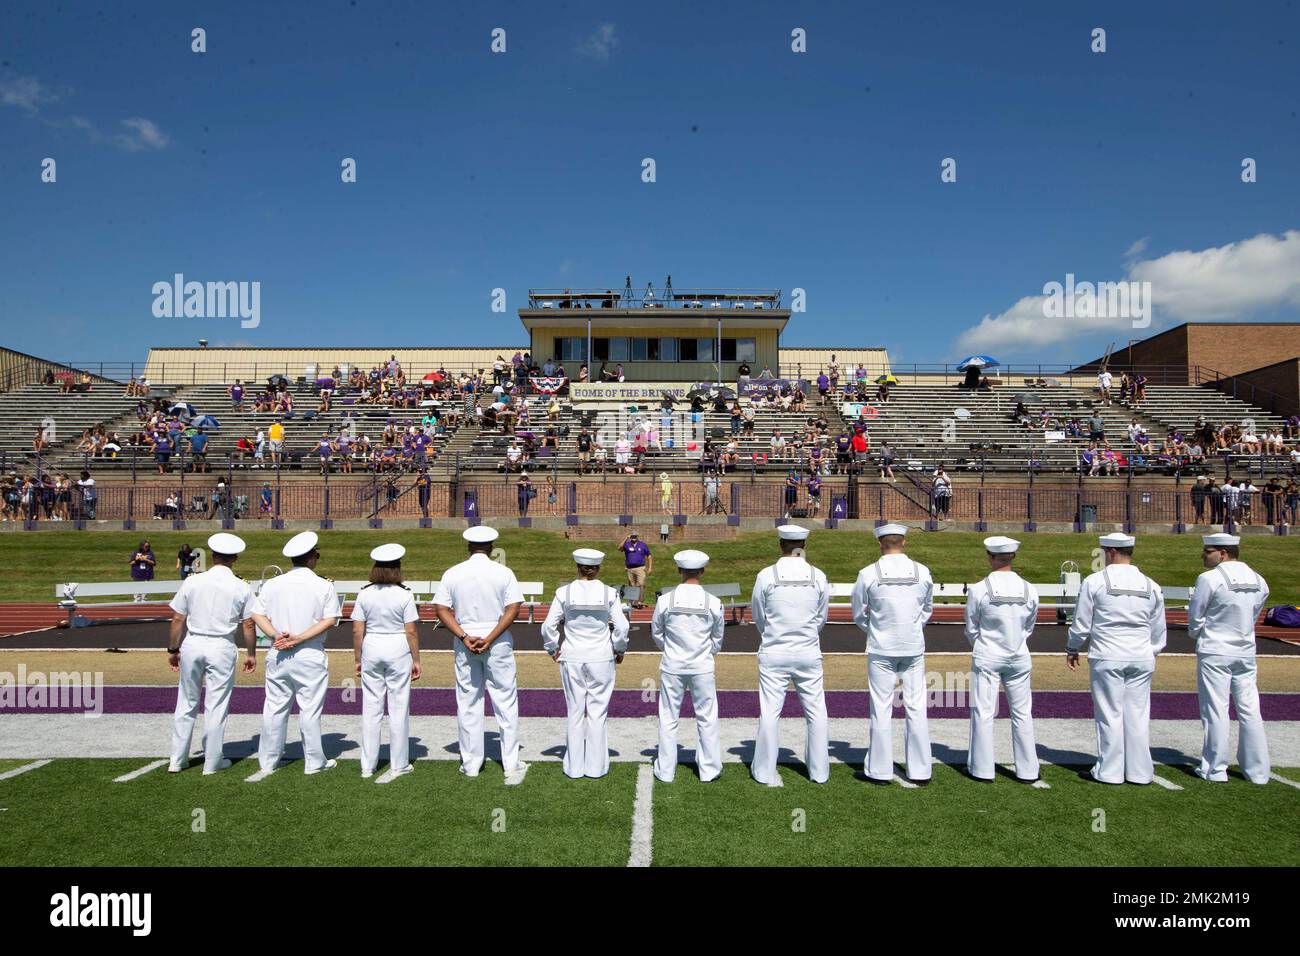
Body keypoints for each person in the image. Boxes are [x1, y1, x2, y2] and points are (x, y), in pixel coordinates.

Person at [1066, 533, 1167, 785]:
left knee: (1109, 714)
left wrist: (1073, 647)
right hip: (1141, 657)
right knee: (1138, 714)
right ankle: (1140, 772)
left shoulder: (1095, 581)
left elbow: (1081, 623)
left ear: (1111, 552)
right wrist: (1150, 650)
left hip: (1108, 654)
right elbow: (1158, 628)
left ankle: (1110, 771)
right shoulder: (1150, 585)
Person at [433, 527, 529, 783]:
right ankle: (510, 762)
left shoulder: (453, 573)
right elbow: (514, 609)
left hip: (465, 640)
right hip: (496, 641)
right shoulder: (503, 572)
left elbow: (441, 609)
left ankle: (472, 763)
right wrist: (491, 637)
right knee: (505, 701)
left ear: (468, 547)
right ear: (491, 546)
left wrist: (464, 636)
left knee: (468, 702)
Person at [246, 531, 343, 779]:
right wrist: (300, 637)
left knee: (275, 708)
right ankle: (313, 761)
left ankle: (268, 761)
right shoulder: (323, 585)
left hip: (278, 653)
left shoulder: (273, 584)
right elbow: (330, 620)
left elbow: (256, 614)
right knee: (309, 709)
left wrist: (275, 635)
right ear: (312, 557)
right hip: (309, 653)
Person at [851, 523, 935, 785]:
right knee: (917, 707)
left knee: (881, 708)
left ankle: (879, 770)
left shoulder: (867, 573)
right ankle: (920, 770)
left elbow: (858, 612)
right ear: (904, 542)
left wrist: (876, 629)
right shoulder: (922, 572)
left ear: (880, 543)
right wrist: (910, 628)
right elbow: (926, 609)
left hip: (881, 648)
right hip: (912, 646)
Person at [167, 533, 257, 774]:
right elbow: (248, 625)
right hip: (221, 646)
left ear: (213, 555)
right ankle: (212, 760)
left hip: (193, 643)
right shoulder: (241, 586)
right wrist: (251, 654)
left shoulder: (193, 581)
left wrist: (173, 649)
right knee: (216, 704)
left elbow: (177, 618)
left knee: (186, 701)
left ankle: (177, 758)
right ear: (235, 558)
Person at [749, 525, 830, 787]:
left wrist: (772, 634)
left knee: (770, 712)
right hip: (808, 651)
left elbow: (758, 615)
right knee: (816, 712)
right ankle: (819, 772)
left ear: (780, 544)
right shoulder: (818, 575)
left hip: (774, 651)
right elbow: (821, 617)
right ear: (803, 546)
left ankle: (764, 771)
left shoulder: (766, 575)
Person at [1188, 533, 1270, 784]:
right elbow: (1255, 611)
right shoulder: (1259, 580)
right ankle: (1258, 771)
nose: (1203, 554)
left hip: (1215, 650)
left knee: (1216, 710)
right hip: (1245, 650)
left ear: (1223, 553)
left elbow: (1196, 616)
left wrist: (1200, 634)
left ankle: (1214, 768)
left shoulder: (1209, 579)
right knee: (1250, 710)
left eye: (1208, 550)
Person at [540, 549, 630, 779]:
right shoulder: (609, 592)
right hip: (601, 656)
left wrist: (552, 648)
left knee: (575, 711)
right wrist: (619, 649)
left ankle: (574, 767)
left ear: (577, 566)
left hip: (572, 656)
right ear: (597, 568)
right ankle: (596, 767)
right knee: (598, 713)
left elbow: (548, 626)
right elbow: (622, 627)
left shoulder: (564, 592)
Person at [962, 536, 1040, 783]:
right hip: (1018, 655)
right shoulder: (1029, 589)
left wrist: (984, 644)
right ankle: (1028, 770)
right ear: (1013, 557)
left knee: (984, 712)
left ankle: (982, 769)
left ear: (990, 556)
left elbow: (971, 626)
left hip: (989, 655)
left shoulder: (979, 589)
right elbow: (1029, 626)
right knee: (1022, 713)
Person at [652, 549, 726, 783]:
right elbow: (718, 638)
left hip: (673, 665)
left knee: (668, 717)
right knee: (706, 717)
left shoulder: (665, 600)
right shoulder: (713, 602)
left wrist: (672, 649)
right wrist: (704, 653)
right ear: (702, 571)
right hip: (701, 666)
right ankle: (709, 769)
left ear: (679, 570)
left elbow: (657, 633)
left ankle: (665, 770)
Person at [352, 543, 422, 784]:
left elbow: (357, 629)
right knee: (398, 707)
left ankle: (367, 765)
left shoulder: (364, 593)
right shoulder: (404, 594)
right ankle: (398, 763)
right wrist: (416, 659)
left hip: (372, 646)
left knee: (370, 709)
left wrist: (358, 657)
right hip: (397, 648)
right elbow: (411, 631)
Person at [619, 531, 652, 608]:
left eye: (635, 536)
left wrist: (650, 567)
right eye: (632, 536)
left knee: (641, 584)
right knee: (632, 585)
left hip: (640, 568)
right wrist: (625, 539)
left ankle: (640, 601)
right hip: (630, 569)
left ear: (637, 536)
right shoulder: (627, 544)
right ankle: (633, 602)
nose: (633, 538)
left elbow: (649, 556)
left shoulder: (643, 545)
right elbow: (620, 548)